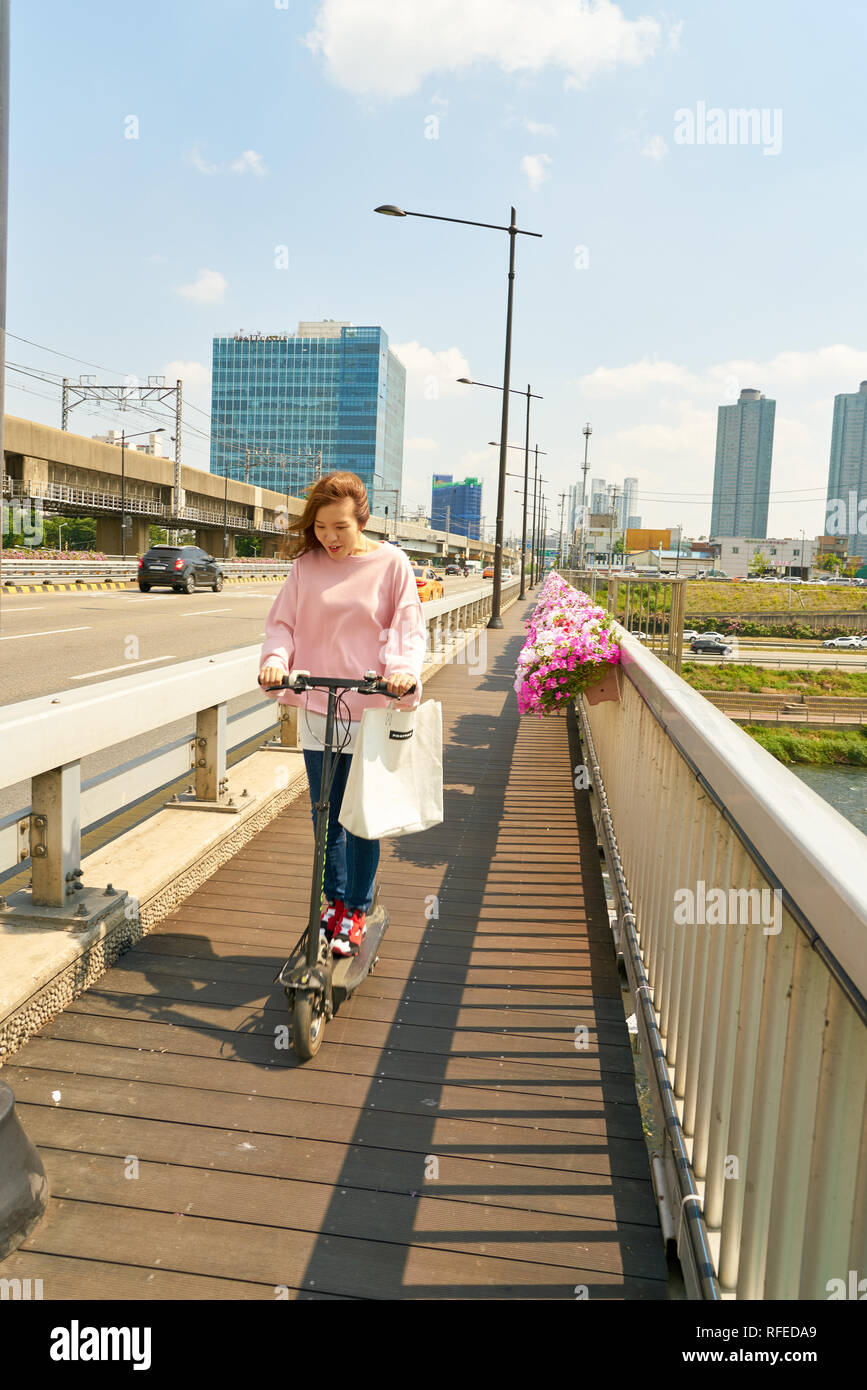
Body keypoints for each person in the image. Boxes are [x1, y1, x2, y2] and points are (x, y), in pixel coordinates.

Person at [258, 472, 425, 959]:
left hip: (369, 707)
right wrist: (276, 661)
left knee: (361, 816)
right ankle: (333, 901)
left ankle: (356, 906)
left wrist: (400, 672)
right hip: (317, 704)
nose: (329, 538)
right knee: (325, 813)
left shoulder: (391, 563)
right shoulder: (306, 567)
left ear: (362, 521)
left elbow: (406, 627)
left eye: (340, 528)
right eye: (321, 528)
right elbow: (282, 624)